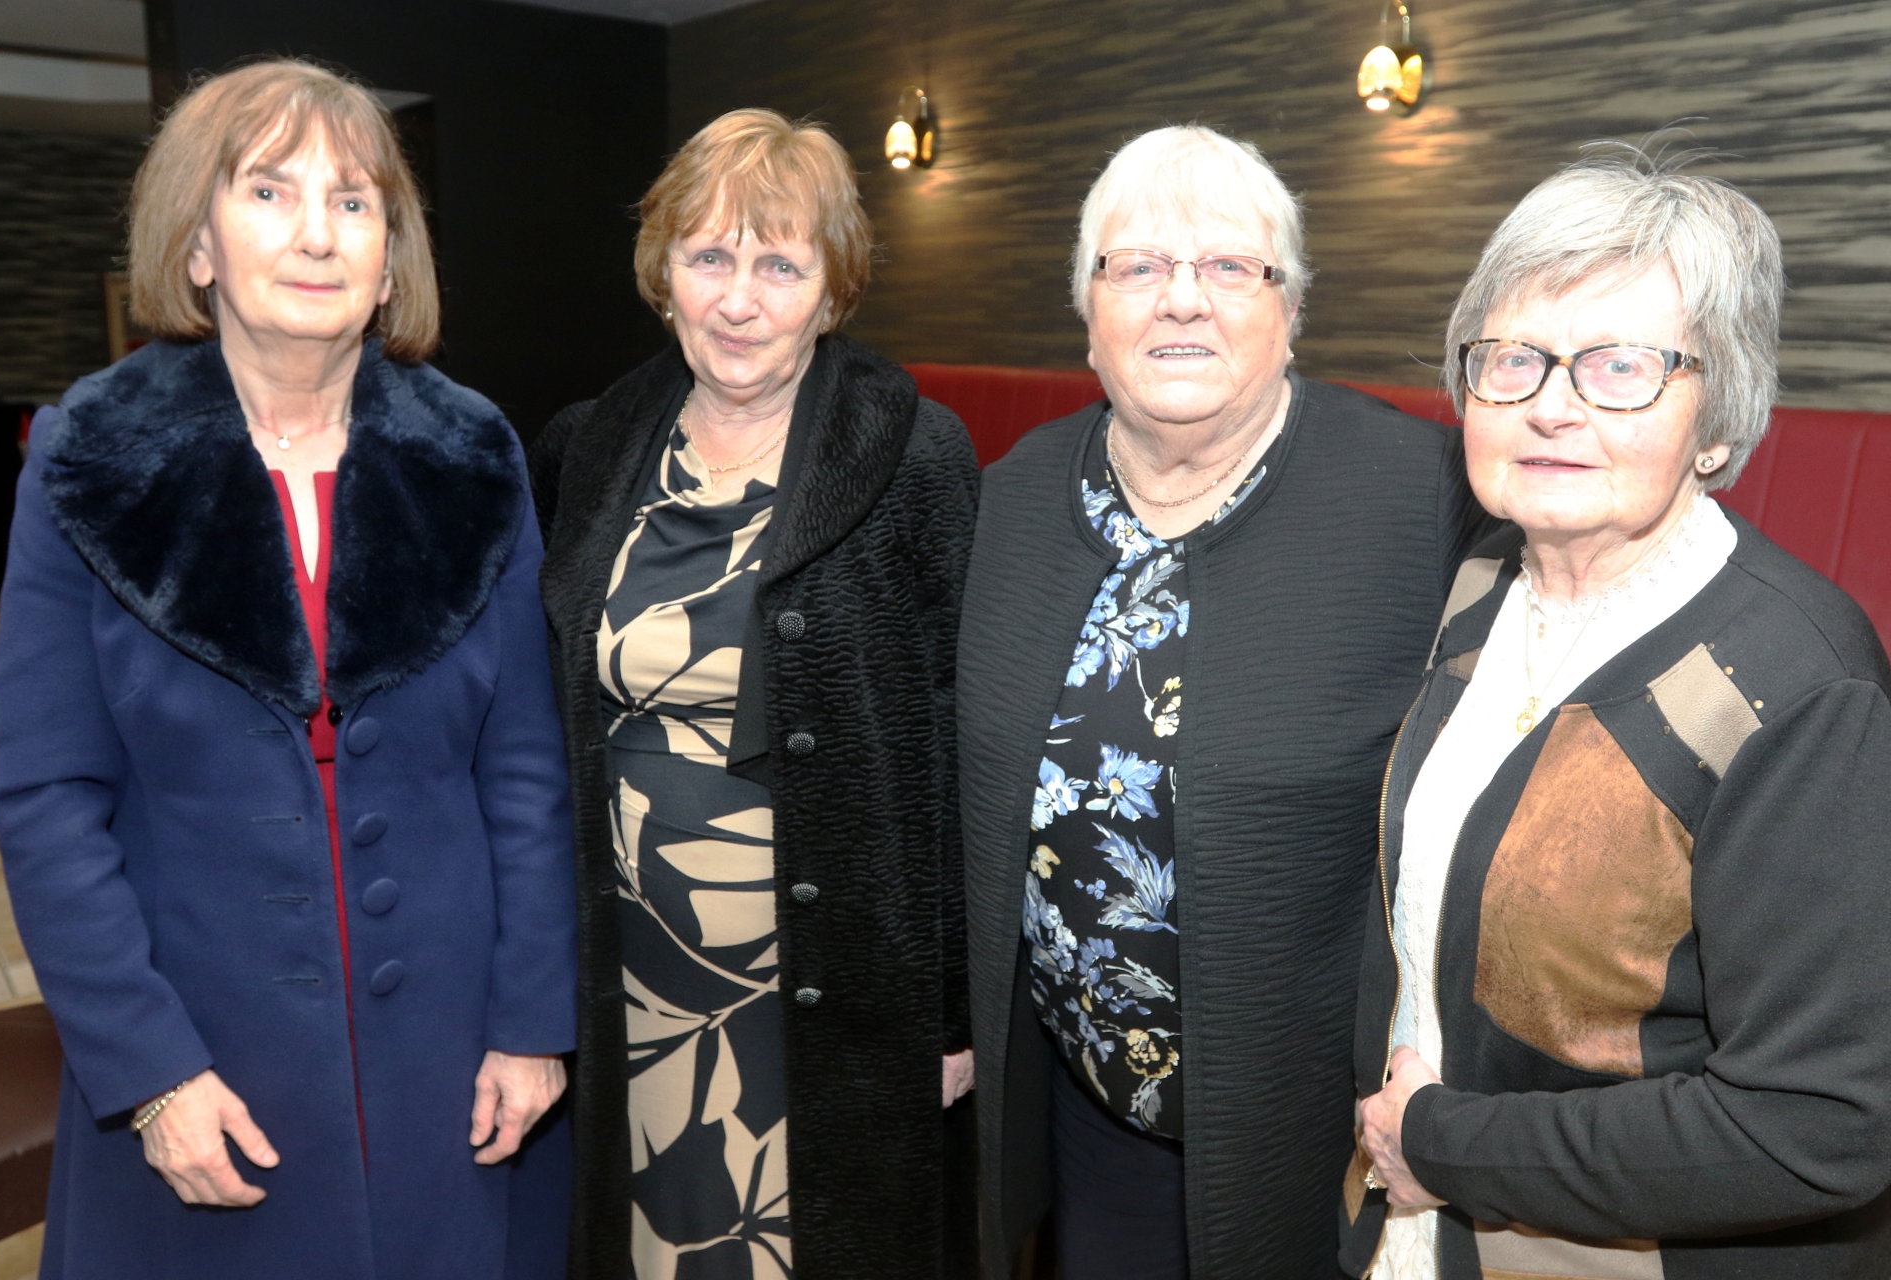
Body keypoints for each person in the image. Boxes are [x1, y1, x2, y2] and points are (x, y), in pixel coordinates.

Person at [0, 61, 575, 1280]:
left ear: (392, 255)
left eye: (356, 202)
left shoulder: (474, 455)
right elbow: (47, 797)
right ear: (196, 243)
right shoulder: (90, 457)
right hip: (203, 1054)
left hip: (454, 1066)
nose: (318, 233)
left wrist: (532, 1021)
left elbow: (524, 770)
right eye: (270, 190)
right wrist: (148, 1071)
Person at [958, 124, 1497, 1280]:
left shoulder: (1431, 497)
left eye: (1229, 268)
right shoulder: (1000, 503)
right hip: (1091, 1106)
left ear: (1289, 307)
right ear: (1088, 308)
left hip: (1341, 1127)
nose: (1180, 302)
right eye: (1139, 266)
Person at [1348, 149, 1891, 1279]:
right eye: (1515, 358)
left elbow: (1823, 1128)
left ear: (1717, 418)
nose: (1550, 404)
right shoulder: (1479, 590)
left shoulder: (1799, 684)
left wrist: (1443, 1141)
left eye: (1621, 366)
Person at [528, 107, 977, 1280]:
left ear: (832, 291)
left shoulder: (913, 453)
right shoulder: (586, 449)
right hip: (628, 963)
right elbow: (538, 717)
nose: (739, 298)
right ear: (661, 270)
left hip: (830, 978)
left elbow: (953, 742)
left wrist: (951, 1009)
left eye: (780, 264)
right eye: (709, 256)